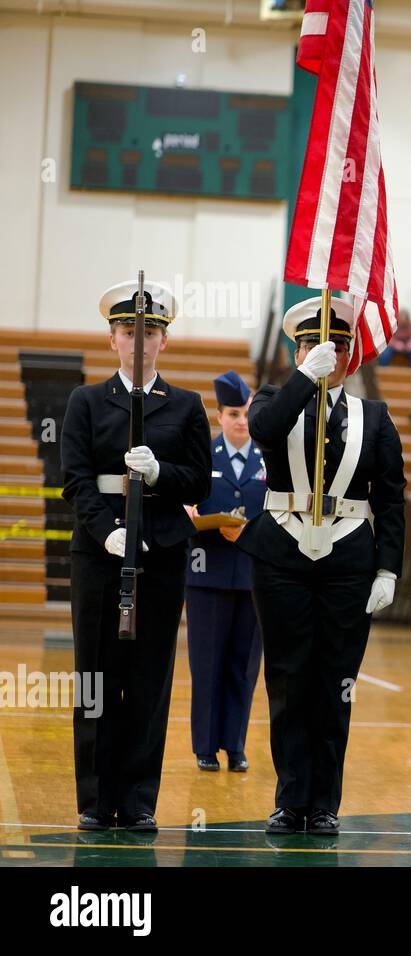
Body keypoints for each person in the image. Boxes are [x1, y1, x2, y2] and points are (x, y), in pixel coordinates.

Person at [238, 298, 407, 836]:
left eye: (333, 345)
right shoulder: (272, 398)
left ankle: (325, 802)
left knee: (337, 683)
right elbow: (264, 429)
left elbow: (392, 497)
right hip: (282, 557)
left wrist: (387, 570)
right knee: (287, 680)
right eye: (311, 344)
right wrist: (300, 382)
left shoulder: (372, 416)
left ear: (349, 354)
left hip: (348, 559)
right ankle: (290, 800)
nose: (323, 352)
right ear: (297, 350)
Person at [60, 280, 211, 832]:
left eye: (151, 332)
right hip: (100, 554)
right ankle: (96, 800)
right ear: (112, 339)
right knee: (96, 676)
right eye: (129, 332)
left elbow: (199, 481)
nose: (140, 342)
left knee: (150, 677)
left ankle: (140, 799)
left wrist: (159, 474)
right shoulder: (87, 401)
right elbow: (75, 481)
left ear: (164, 340)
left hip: (163, 553)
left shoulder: (188, 406)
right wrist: (106, 534)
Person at [185, 371, 267, 773]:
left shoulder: (269, 459)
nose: (241, 421)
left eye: (246, 413)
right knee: (207, 665)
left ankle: (235, 745)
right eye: (233, 413)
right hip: (207, 574)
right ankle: (205, 746)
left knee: (244, 665)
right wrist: (190, 513)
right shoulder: (204, 456)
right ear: (219, 416)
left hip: (252, 575)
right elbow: (185, 502)